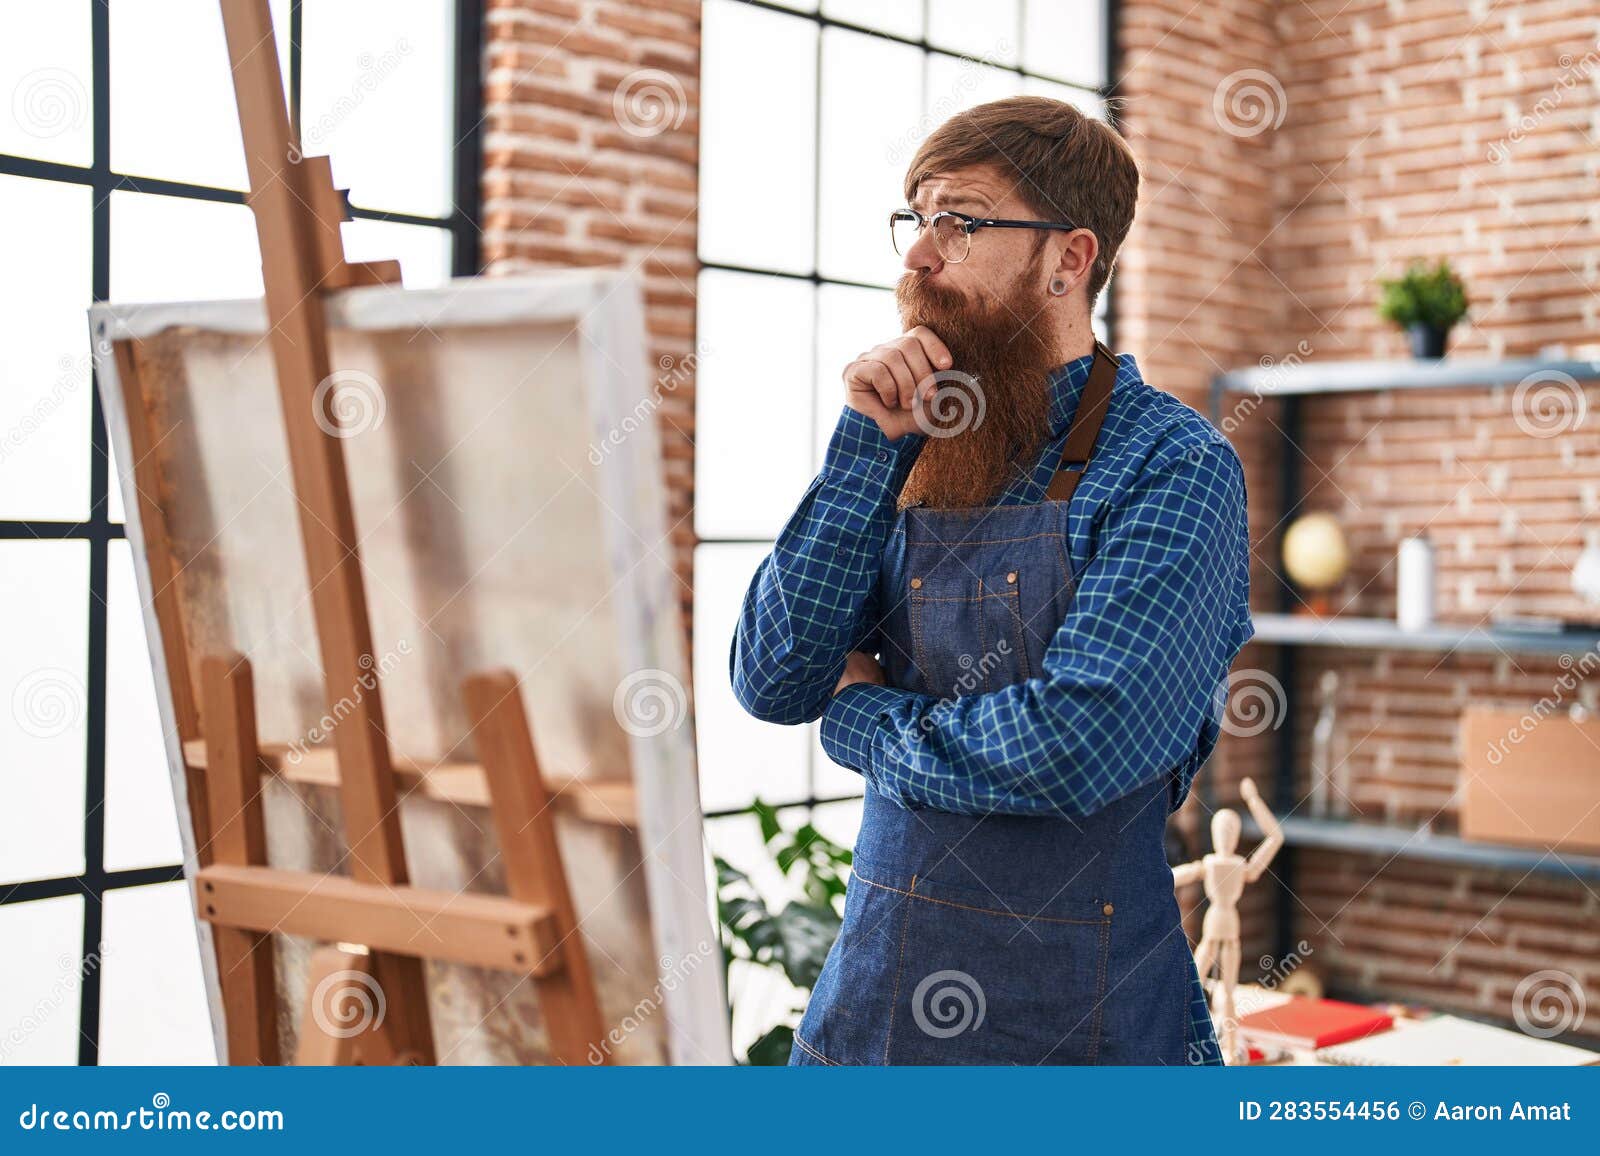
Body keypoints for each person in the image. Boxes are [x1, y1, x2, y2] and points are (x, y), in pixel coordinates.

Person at [730, 95, 1254, 1066]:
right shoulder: (909, 445)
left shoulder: (1171, 466)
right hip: (875, 1013)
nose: (917, 258)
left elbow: (1074, 744)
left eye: (960, 222)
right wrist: (864, 450)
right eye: (915, 218)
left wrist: (858, 719)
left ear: (1068, 257)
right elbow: (771, 679)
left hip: (1083, 1030)